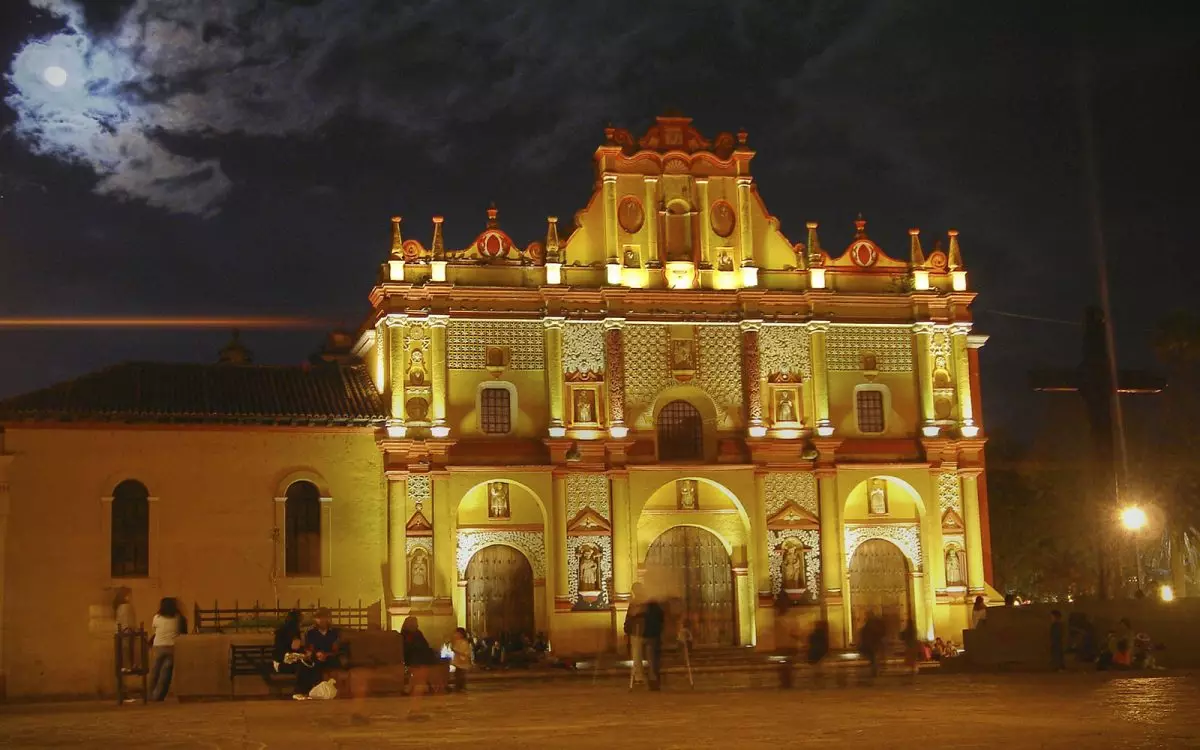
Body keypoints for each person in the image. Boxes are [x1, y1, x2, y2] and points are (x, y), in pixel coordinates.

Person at [294, 608, 342, 700]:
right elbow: (308, 648)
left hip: (329, 657)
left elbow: (335, 649)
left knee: (333, 662)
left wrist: (326, 655)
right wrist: (317, 654)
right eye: (319, 618)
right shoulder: (310, 632)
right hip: (315, 656)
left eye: (324, 617)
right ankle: (304, 691)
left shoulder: (333, 632)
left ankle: (321, 691)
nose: (322, 620)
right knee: (307, 665)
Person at [149, 597, 183, 702]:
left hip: (158, 646)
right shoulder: (177, 618)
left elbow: (154, 630)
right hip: (172, 646)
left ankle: (150, 694)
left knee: (155, 671)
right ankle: (158, 696)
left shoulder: (157, 617)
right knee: (165, 673)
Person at [641, 593, 666, 691]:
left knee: (651, 661)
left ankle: (653, 681)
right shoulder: (658, 609)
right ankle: (655, 681)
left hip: (650, 637)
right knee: (655, 661)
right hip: (656, 637)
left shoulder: (647, 610)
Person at [624, 584, 647, 685]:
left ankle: (646, 675)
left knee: (642, 654)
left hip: (645, 630)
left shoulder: (646, 602)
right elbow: (629, 616)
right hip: (635, 631)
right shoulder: (633, 602)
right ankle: (639, 676)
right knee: (637, 655)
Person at [272, 610, 304, 675]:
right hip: (285, 663)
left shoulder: (282, 629)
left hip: (279, 661)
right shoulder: (294, 630)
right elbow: (295, 647)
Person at [450, 627, 472, 692]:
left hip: (462, 662)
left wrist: (456, 651)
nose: (455, 635)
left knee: (461, 675)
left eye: (457, 633)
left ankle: (461, 687)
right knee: (457, 675)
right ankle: (458, 687)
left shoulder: (464, 642)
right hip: (458, 662)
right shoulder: (457, 642)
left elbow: (465, 652)